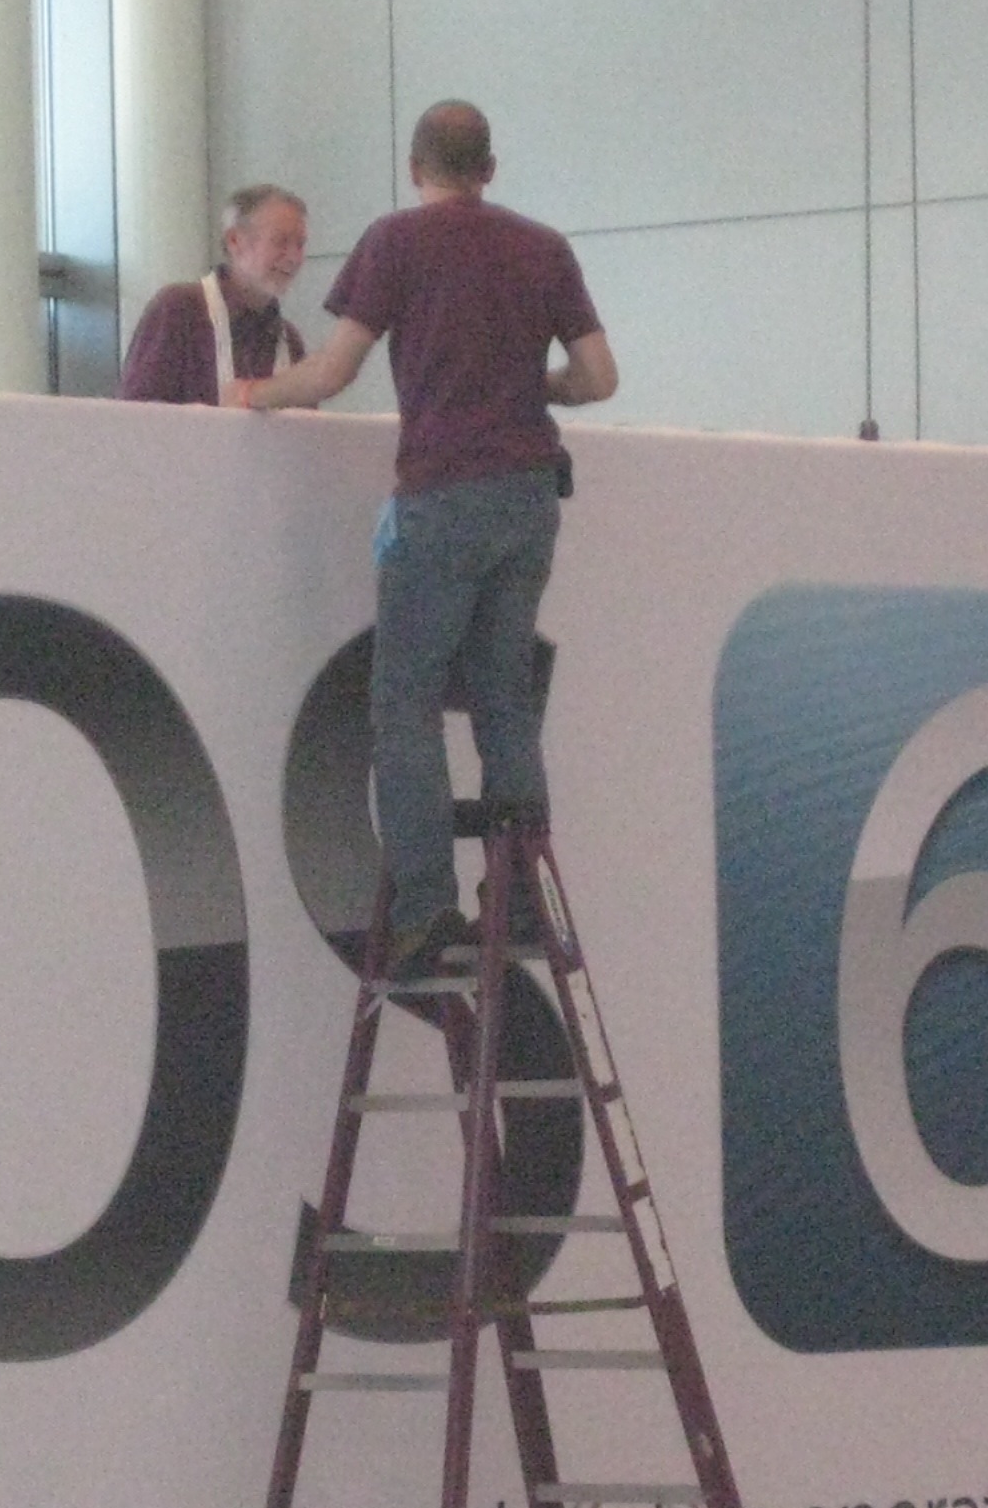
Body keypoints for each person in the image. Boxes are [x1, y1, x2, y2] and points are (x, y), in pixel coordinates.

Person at [235, 101, 617, 968]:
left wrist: (253, 395)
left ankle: (424, 908)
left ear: (416, 169)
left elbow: (334, 369)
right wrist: (535, 388)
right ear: (491, 168)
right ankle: (519, 895)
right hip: (529, 500)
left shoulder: (395, 243)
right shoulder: (543, 248)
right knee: (505, 700)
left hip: (443, 497)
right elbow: (599, 376)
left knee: (403, 704)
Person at [118, 184, 311, 404]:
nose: (294, 257)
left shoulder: (290, 341)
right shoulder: (178, 310)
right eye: (280, 241)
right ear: (234, 241)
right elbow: (135, 417)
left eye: (301, 244)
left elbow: (305, 431)